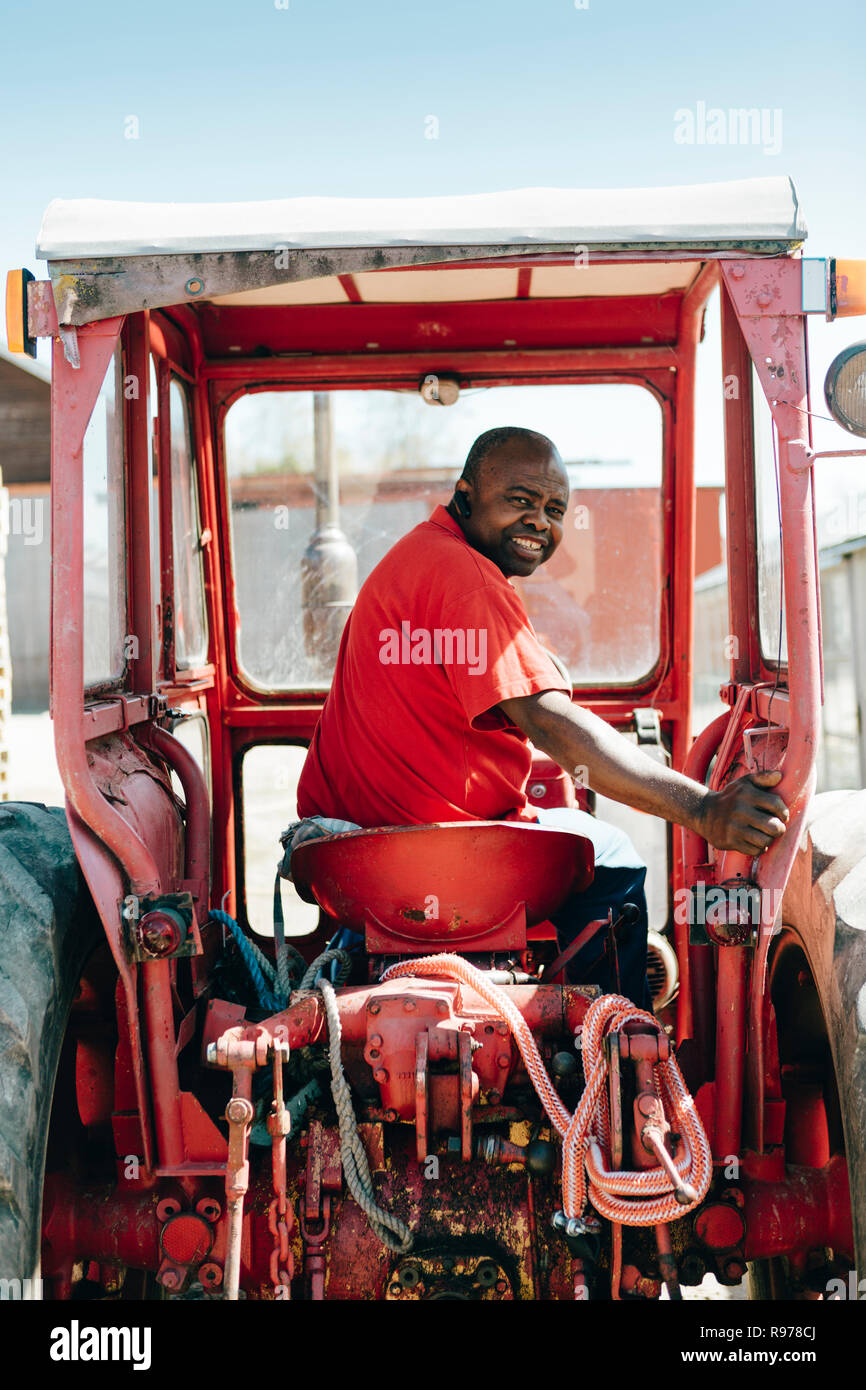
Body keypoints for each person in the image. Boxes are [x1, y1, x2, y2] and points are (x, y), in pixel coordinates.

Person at [296, 426, 788, 1002]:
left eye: (555, 509)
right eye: (520, 501)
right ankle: (612, 1040)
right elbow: (552, 723)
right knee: (613, 854)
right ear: (466, 494)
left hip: (356, 849)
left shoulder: (419, 560)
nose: (540, 522)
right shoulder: (467, 578)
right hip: (438, 841)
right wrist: (702, 809)